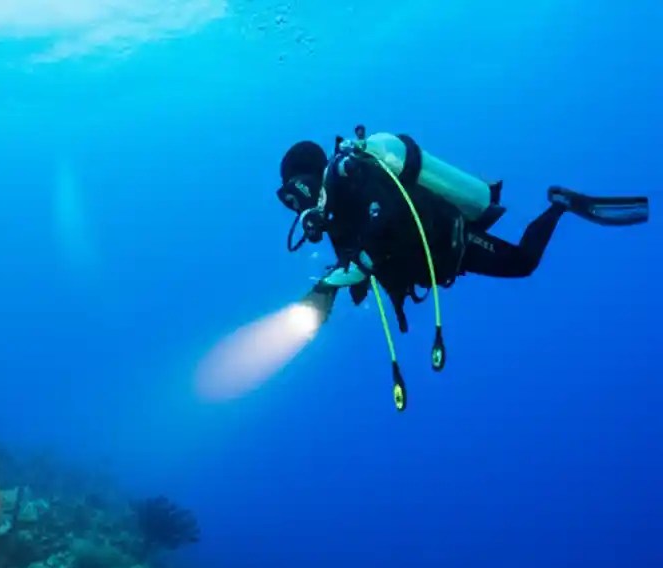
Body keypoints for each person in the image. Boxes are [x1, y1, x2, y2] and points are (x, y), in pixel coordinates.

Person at [276, 128, 649, 409]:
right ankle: (559, 206)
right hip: (436, 258)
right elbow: (357, 272)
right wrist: (326, 292)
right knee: (522, 264)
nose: (294, 206)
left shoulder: (347, 173)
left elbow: (387, 216)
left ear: (306, 179)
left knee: (523, 262)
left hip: (449, 239)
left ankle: (560, 204)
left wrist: (357, 267)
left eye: (293, 193)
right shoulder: (336, 218)